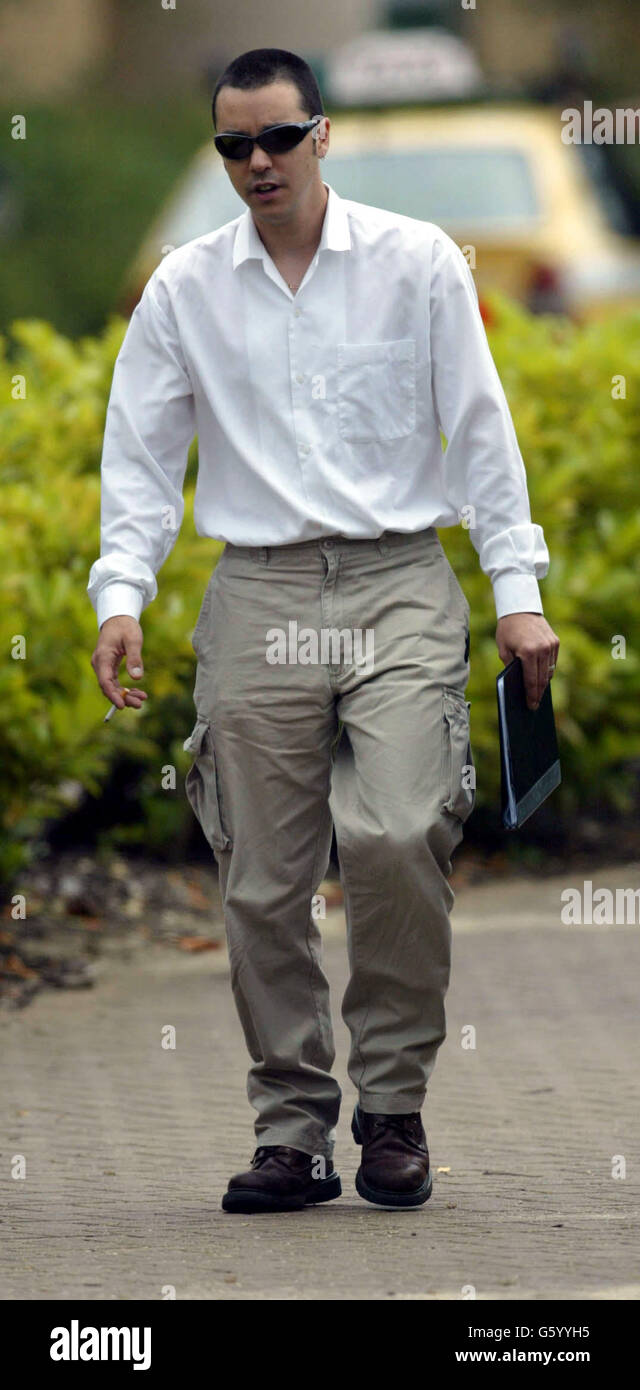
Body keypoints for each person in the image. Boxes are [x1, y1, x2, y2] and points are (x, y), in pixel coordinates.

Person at [89, 47, 559, 1214]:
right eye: (232, 146)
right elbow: (141, 460)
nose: (256, 163)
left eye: (276, 139)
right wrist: (120, 596)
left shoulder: (416, 265)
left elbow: (479, 428)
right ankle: (290, 1130)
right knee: (263, 878)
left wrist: (517, 585)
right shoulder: (185, 289)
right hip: (255, 593)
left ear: (322, 135)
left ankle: (391, 1105)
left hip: (399, 581)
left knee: (399, 830)